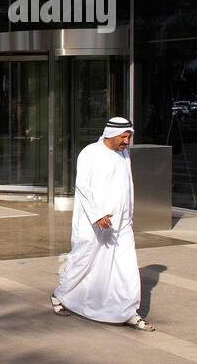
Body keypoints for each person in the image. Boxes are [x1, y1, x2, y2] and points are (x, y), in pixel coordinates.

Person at [51, 116, 154, 330]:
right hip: (93, 223)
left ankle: (128, 311)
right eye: (123, 136)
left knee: (126, 267)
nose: (127, 141)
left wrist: (129, 215)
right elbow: (83, 187)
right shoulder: (90, 153)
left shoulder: (124, 154)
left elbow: (128, 187)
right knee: (83, 260)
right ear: (111, 135)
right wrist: (98, 214)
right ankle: (61, 295)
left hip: (122, 223)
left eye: (128, 136)